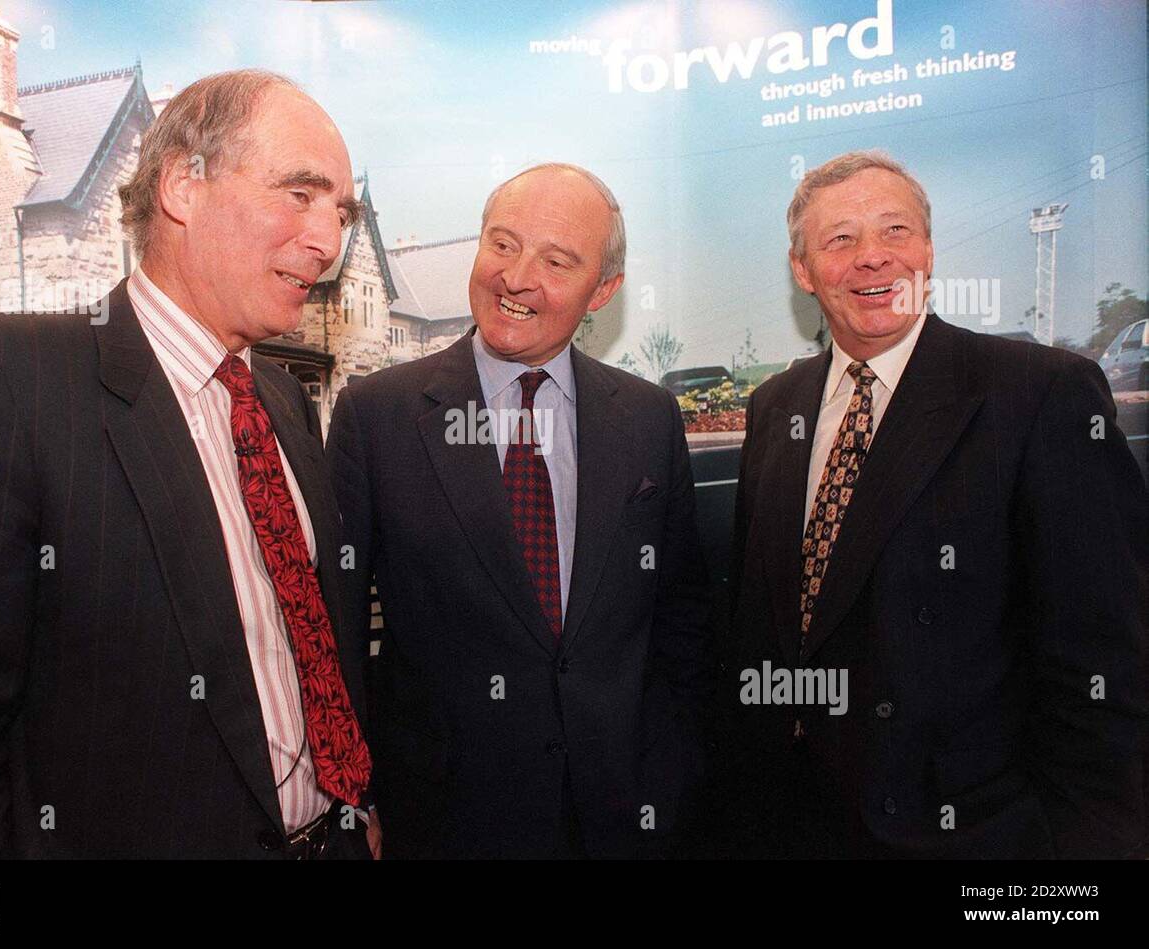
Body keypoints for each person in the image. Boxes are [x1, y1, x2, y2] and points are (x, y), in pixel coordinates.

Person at [0, 69, 378, 859]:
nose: (328, 243)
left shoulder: (282, 401)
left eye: (341, 212)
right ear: (182, 188)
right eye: (300, 195)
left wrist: (352, 812)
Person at [720, 149, 1148, 858]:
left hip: (975, 835)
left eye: (895, 231)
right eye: (840, 239)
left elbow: (1105, 670)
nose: (872, 259)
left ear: (927, 251)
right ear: (802, 271)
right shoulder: (776, 406)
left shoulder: (1040, 394)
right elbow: (763, 626)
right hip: (794, 822)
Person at [327, 163, 715, 859]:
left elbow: (680, 620)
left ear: (604, 289)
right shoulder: (376, 415)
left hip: (624, 817)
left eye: (557, 260)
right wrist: (357, 797)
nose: (516, 276)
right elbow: (339, 631)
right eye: (502, 244)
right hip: (445, 822)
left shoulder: (648, 418)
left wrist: (673, 775)